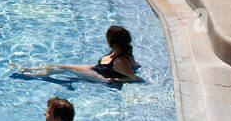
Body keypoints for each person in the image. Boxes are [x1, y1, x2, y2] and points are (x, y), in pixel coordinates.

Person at [9, 25, 141, 84]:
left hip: (100, 77)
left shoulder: (120, 60)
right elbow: (135, 65)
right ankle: (29, 69)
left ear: (112, 41)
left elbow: (134, 78)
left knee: (65, 69)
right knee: (59, 65)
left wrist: (113, 80)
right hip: (96, 69)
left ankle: (31, 76)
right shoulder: (119, 52)